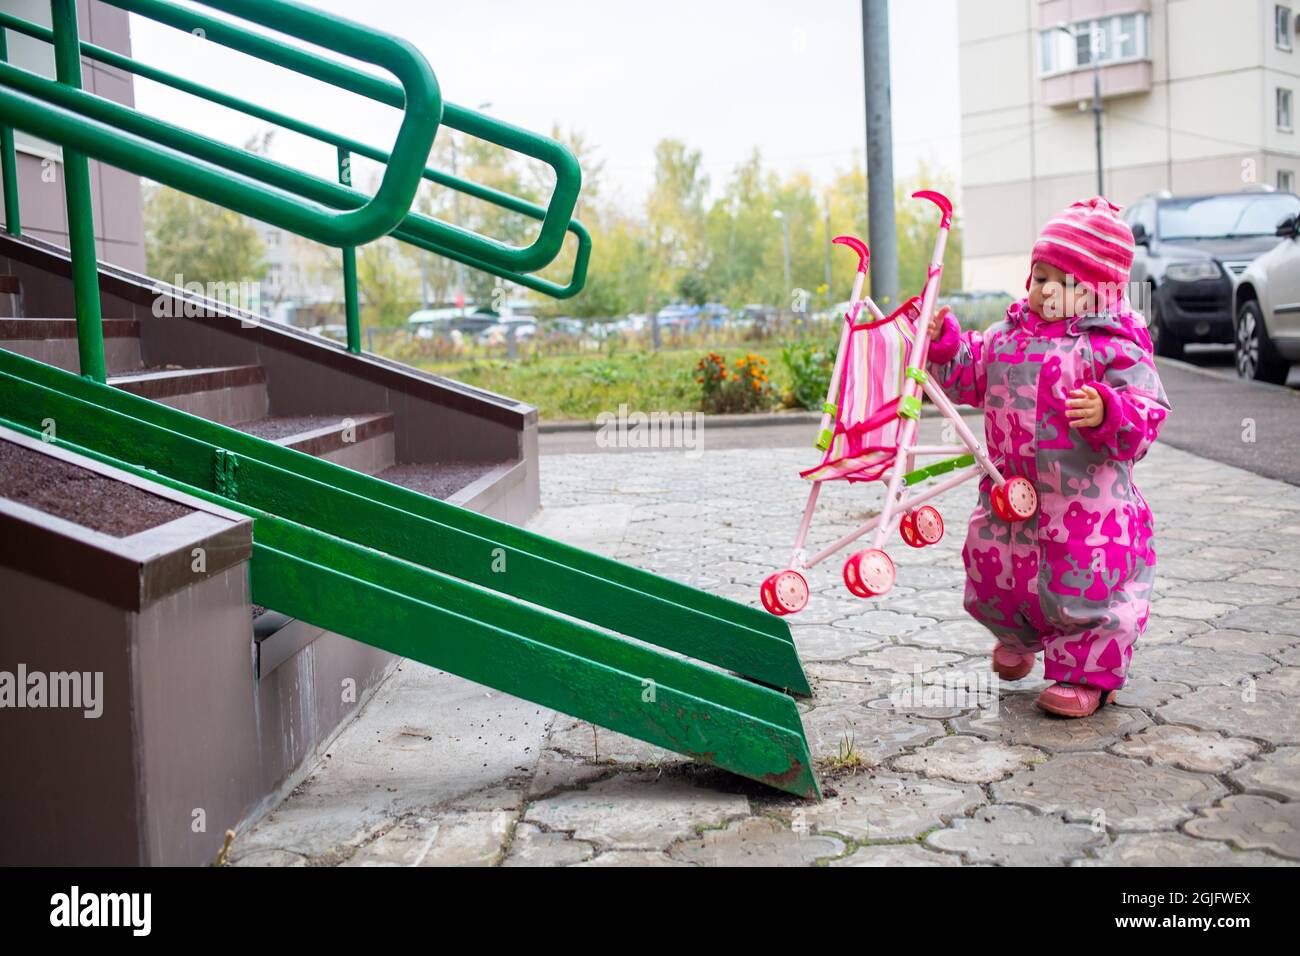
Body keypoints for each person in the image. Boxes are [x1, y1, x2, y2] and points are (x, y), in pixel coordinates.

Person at [924, 196, 1171, 717]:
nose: (1046, 292)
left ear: (1100, 292)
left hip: (1086, 508)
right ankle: (1017, 637)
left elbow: (1148, 408)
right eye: (1040, 276)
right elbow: (971, 372)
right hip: (1010, 494)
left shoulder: (1113, 347)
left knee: (1083, 586)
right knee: (997, 571)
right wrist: (947, 348)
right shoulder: (1006, 338)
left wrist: (1110, 409)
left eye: (1067, 283)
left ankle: (1085, 674)